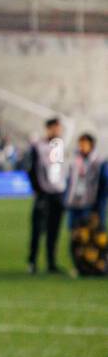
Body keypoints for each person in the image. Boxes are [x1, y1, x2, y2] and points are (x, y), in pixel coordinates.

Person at [26, 117, 66, 274]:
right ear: (48, 129)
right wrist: (38, 190)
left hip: (58, 194)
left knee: (54, 230)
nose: (57, 131)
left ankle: (51, 263)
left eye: (59, 128)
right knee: (37, 229)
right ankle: (32, 262)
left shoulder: (61, 146)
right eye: (55, 128)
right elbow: (31, 170)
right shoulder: (38, 147)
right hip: (43, 194)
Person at [65, 132, 107, 269]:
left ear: (92, 145)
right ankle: (79, 265)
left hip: (91, 205)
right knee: (76, 235)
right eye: (80, 143)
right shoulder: (74, 161)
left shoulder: (99, 162)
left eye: (85, 144)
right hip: (75, 204)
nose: (82, 146)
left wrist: (99, 205)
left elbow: (104, 184)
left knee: (93, 236)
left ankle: (96, 265)